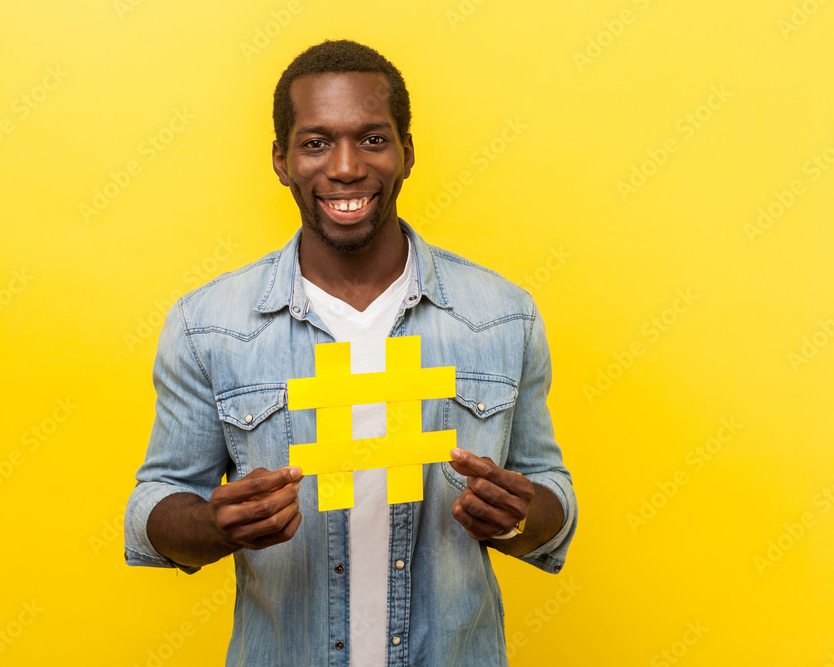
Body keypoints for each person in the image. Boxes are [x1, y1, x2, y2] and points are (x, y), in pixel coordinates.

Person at [124, 39, 578, 667]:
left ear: (407, 153)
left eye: (372, 139)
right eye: (315, 143)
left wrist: (518, 516)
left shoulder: (502, 316)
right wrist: (212, 526)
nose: (345, 168)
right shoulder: (208, 326)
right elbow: (155, 506)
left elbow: (551, 498)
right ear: (281, 161)